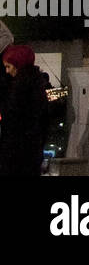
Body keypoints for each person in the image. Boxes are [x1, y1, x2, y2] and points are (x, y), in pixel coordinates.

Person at [0, 44, 50, 177]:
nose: (7, 71)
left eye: (8, 66)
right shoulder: (34, 85)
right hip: (29, 154)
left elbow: (13, 120)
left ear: (18, 64)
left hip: (18, 156)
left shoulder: (20, 90)